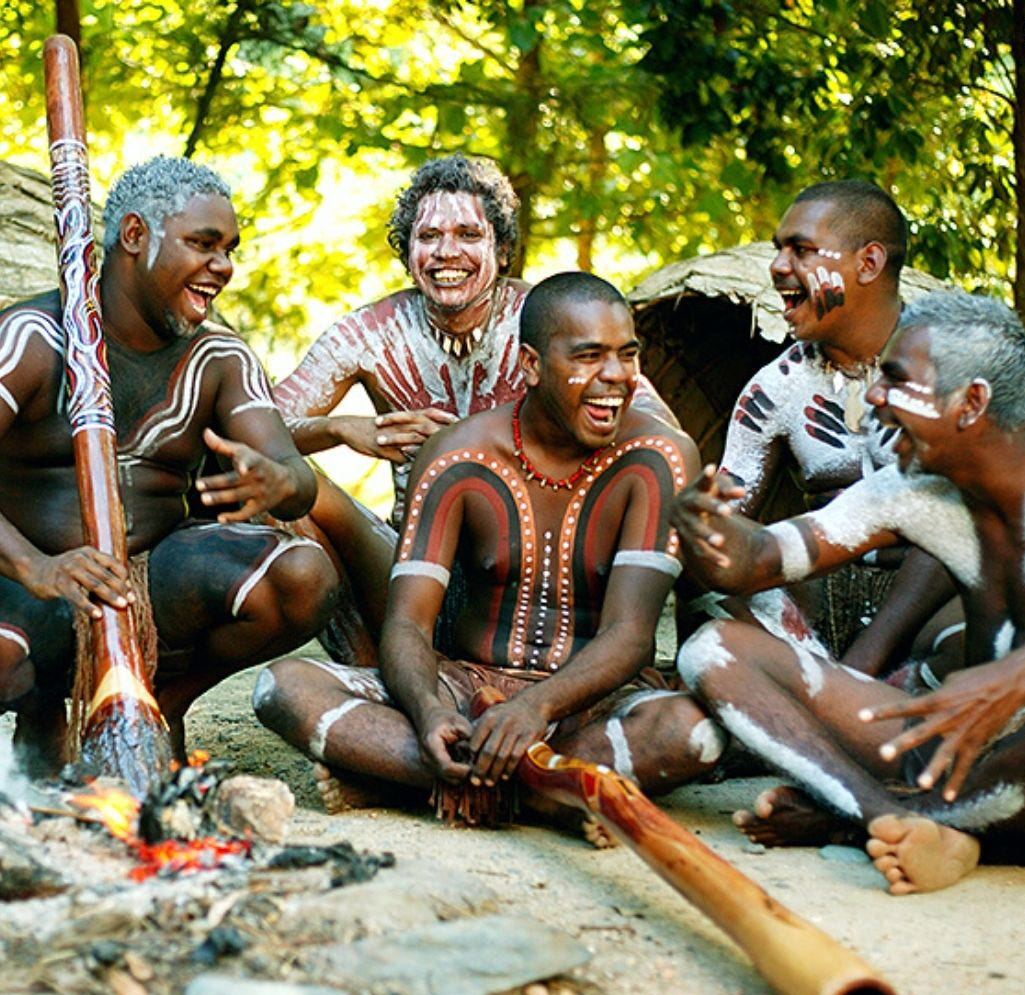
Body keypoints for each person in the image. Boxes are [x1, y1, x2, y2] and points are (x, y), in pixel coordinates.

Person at [254, 272, 719, 826]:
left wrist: (536, 707)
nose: (615, 377)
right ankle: (551, 790)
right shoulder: (458, 455)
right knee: (284, 686)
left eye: (627, 355)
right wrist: (429, 711)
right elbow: (408, 626)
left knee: (695, 732)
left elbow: (631, 635)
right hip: (467, 690)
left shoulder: (658, 458)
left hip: (593, 706)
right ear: (531, 365)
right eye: (589, 356)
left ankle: (428, 782)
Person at [672, 290, 1025, 894]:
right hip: (958, 755)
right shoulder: (910, 490)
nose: (874, 400)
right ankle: (882, 817)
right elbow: (759, 560)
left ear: (971, 402)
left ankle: (892, 821)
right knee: (713, 651)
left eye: (894, 379)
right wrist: (706, 530)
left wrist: (1010, 679)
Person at [0, 155, 337, 772]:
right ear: (134, 236)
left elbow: (297, 479)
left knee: (301, 578)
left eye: (230, 249)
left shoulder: (220, 359)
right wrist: (38, 567)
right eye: (203, 244)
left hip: (148, 583)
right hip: (25, 583)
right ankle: (45, 711)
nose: (223, 267)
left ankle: (154, 708)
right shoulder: (32, 337)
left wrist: (280, 480)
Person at [271, 155, 677, 665]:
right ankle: (373, 666)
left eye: (468, 234)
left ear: (501, 249)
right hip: (413, 566)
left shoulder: (550, 323)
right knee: (278, 482)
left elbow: (662, 435)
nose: (447, 253)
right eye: (428, 237)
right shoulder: (368, 334)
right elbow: (255, 426)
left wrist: (523, 441)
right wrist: (342, 429)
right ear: (407, 251)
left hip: (536, 569)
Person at [692, 180, 954, 677]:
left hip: (933, 609)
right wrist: (694, 523)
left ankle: (842, 697)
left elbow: (974, 523)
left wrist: (860, 664)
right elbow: (727, 527)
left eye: (802, 250)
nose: (778, 267)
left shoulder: (950, 366)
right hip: (819, 611)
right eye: (778, 249)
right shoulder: (775, 390)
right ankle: (829, 697)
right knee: (712, 623)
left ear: (869, 263)